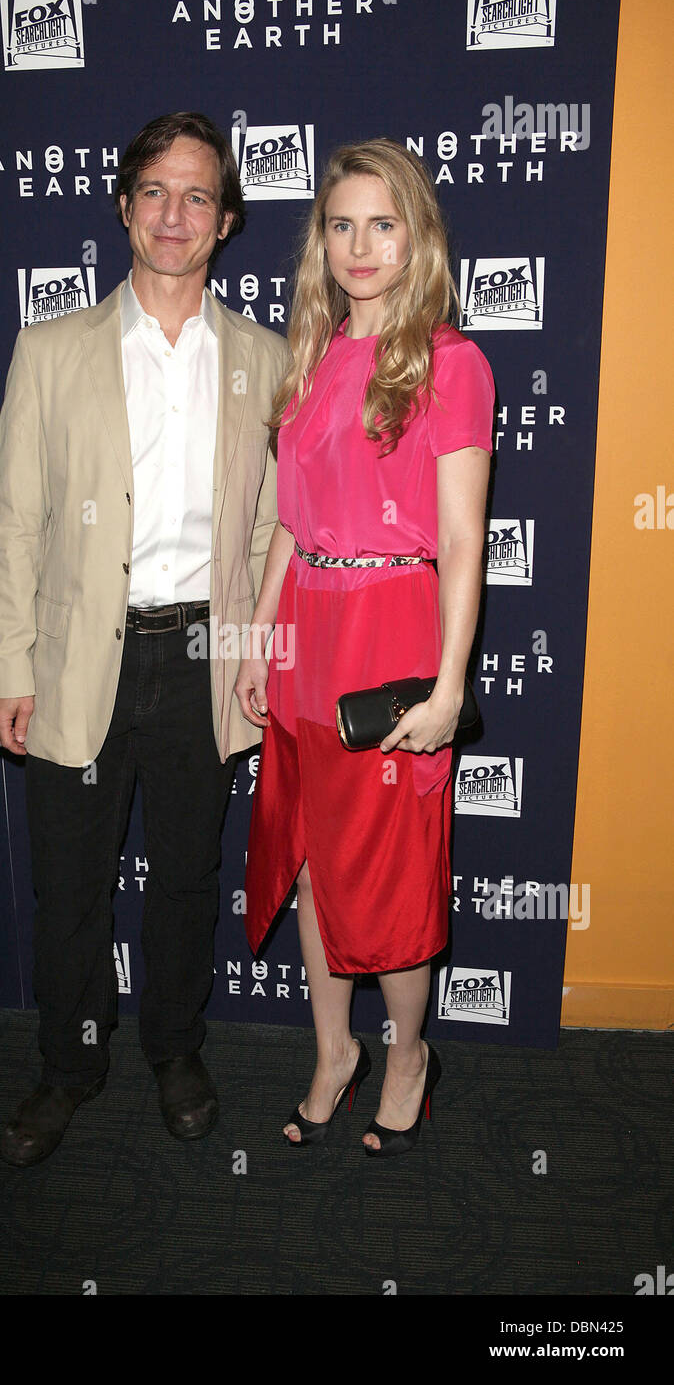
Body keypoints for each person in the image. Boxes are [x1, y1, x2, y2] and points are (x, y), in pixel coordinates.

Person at [0, 111, 287, 1165]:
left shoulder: (264, 358)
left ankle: (173, 1049)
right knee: (68, 883)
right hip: (77, 659)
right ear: (123, 205)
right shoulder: (51, 348)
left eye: (196, 195)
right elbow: (15, 517)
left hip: (204, 659)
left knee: (188, 876)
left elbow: (270, 527)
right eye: (154, 190)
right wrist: (6, 664)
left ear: (225, 220)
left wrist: (257, 651)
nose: (173, 213)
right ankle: (68, 1065)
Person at [234, 139, 494, 1156]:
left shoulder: (450, 362)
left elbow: (465, 539)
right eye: (339, 224)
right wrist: (258, 642)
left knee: (385, 873)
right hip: (307, 629)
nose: (358, 244)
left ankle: (405, 1053)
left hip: (390, 634)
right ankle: (332, 1052)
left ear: (415, 235)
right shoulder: (310, 357)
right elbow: (290, 524)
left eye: (380, 223)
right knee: (311, 865)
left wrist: (446, 683)